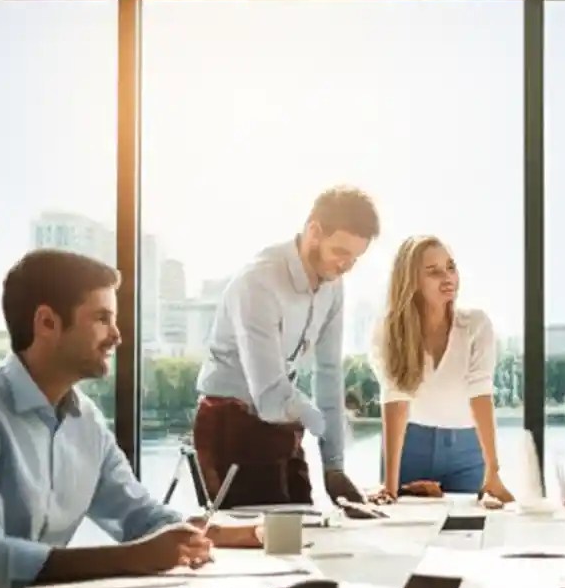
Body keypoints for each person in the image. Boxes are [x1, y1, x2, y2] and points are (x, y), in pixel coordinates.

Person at [0, 251, 261, 588]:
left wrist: (233, 533)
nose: (117, 336)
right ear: (47, 322)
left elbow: (139, 515)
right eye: (103, 319)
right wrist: (129, 560)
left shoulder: (85, 420)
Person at [194, 186, 378, 508]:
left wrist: (334, 466)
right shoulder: (259, 283)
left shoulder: (333, 287)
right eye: (340, 252)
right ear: (314, 231)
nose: (346, 266)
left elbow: (329, 372)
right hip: (232, 423)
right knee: (261, 539)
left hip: (283, 422)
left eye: (355, 258)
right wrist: (316, 419)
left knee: (304, 529)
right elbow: (269, 397)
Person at [368, 236, 514, 503]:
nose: (447, 277)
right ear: (411, 280)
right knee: (404, 529)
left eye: (450, 267)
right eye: (433, 272)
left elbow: (481, 393)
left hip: (468, 448)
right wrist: (389, 486)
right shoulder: (389, 330)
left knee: (470, 534)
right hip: (410, 446)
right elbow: (394, 400)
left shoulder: (476, 325)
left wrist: (493, 471)